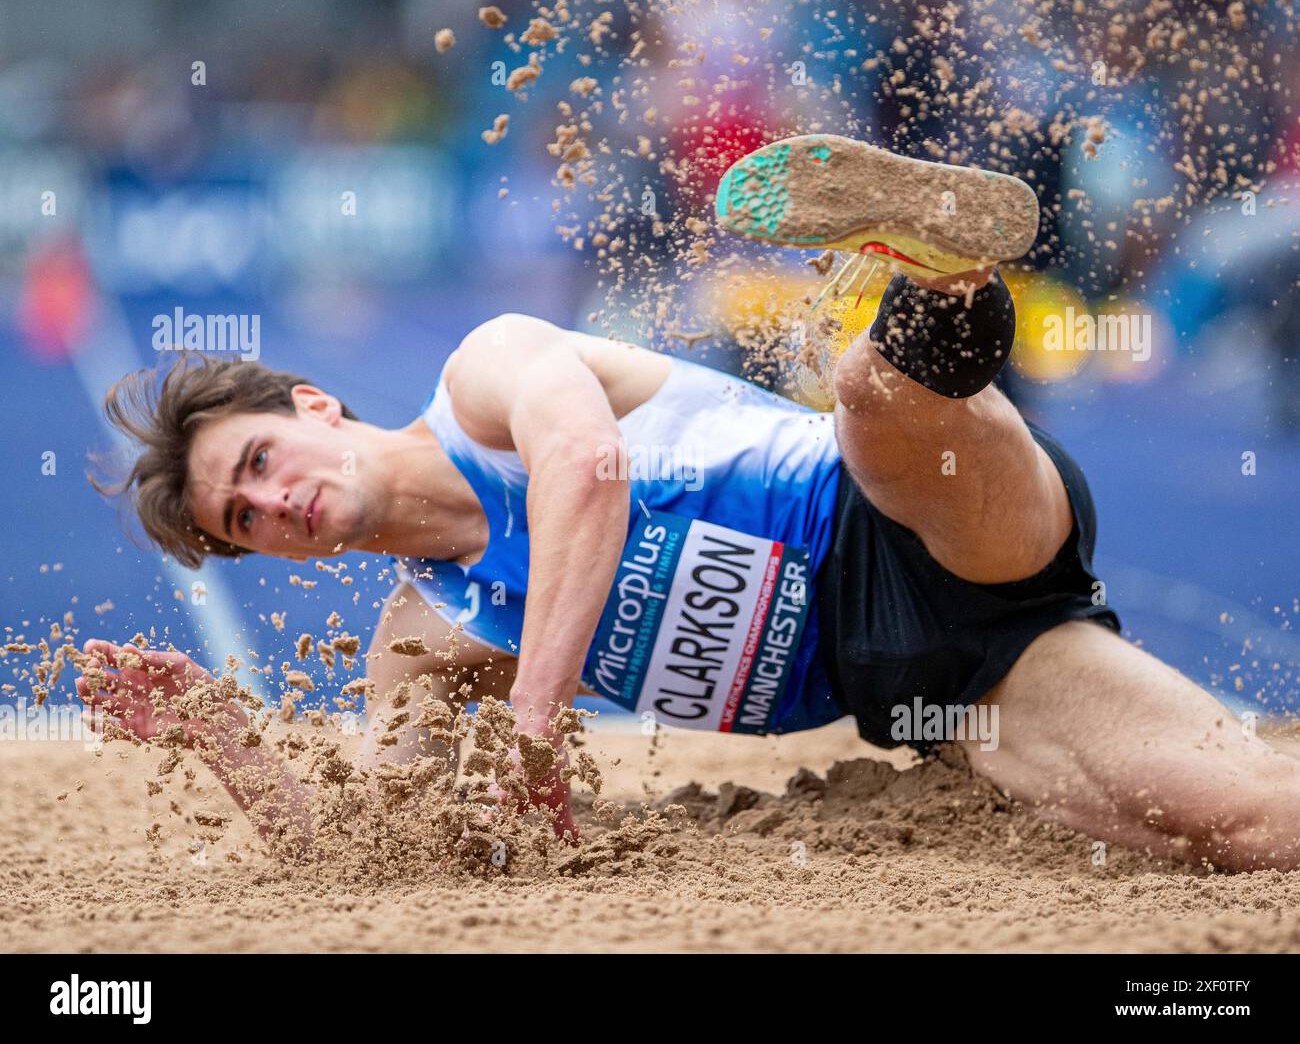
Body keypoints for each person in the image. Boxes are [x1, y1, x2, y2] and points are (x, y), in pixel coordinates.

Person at [82, 135, 1300, 870]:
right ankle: (930, 288)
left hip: (899, 513)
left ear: (311, 406)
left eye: (255, 461)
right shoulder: (424, 636)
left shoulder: (483, 374)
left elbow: (587, 472)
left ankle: (935, 269)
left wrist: (533, 714)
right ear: (276, 558)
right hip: (932, 683)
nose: (275, 502)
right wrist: (222, 743)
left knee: (868, 396)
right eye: (242, 522)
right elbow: (377, 850)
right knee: (1235, 829)